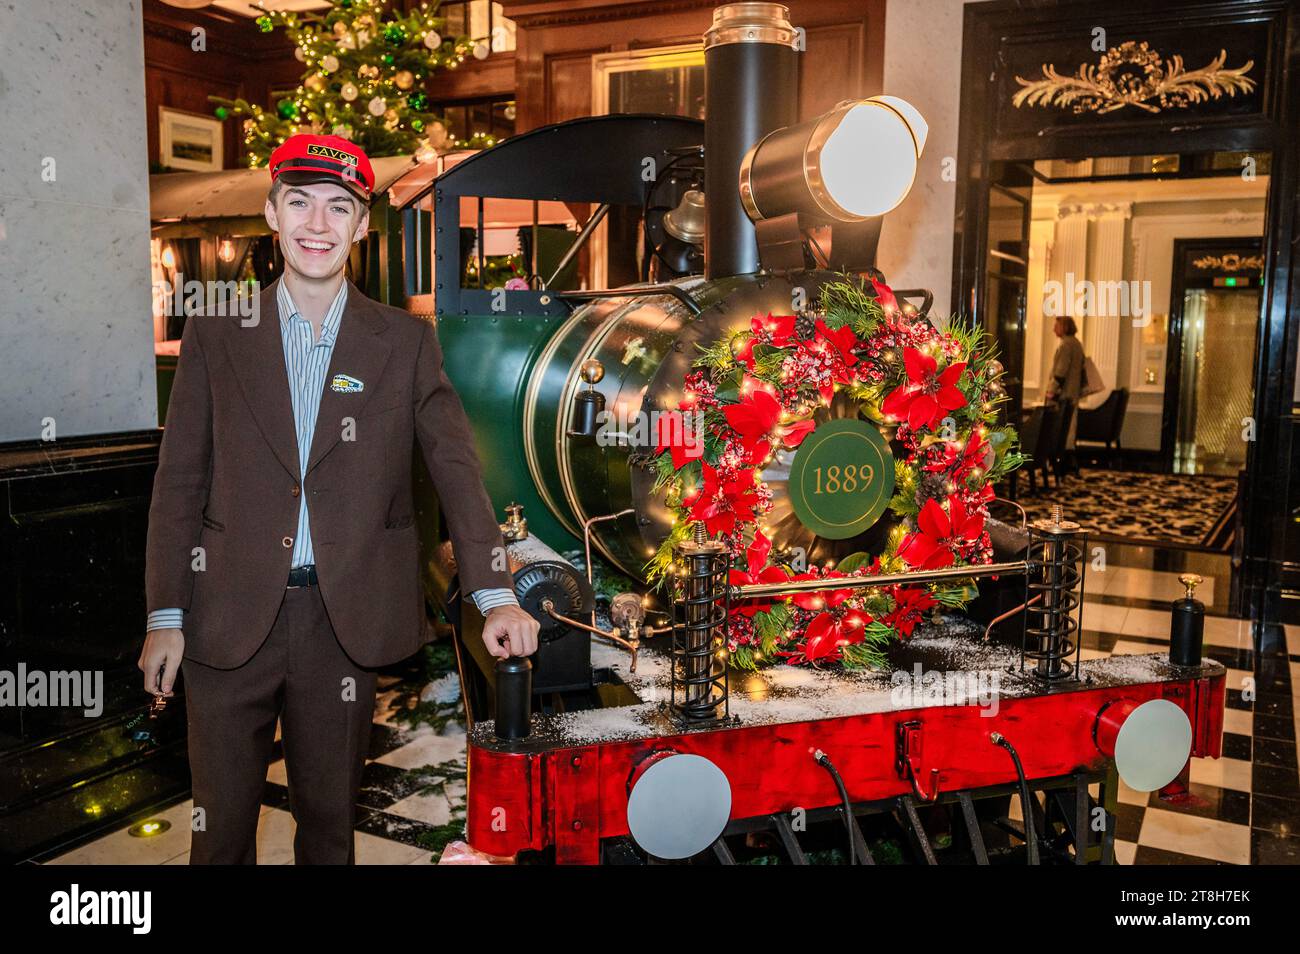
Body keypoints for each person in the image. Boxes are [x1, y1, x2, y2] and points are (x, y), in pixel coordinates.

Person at [138, 134, 540, 864]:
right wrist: (166, 616)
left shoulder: (403, 344)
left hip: (342, 622)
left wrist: (495, 596)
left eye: (338, 207)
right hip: (224, 619)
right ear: (271, 213)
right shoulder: (218, 334)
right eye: (299, 203)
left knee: (328, 834)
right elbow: (179, 482)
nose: (316, 224)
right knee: (217, 834)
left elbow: (457, 472)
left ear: (361, 226)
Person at [1045, 314, 1085, 474]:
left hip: (1063, 395)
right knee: (1070, 429)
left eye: (1057, 325)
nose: (1054, 328)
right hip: (1073, 393)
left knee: (1060, 430)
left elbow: (1060, 372)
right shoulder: (1077, 344)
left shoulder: (1066, 345)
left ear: (1064, 327)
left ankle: (1061, 464)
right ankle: (1068, 463)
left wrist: (1051, 392)